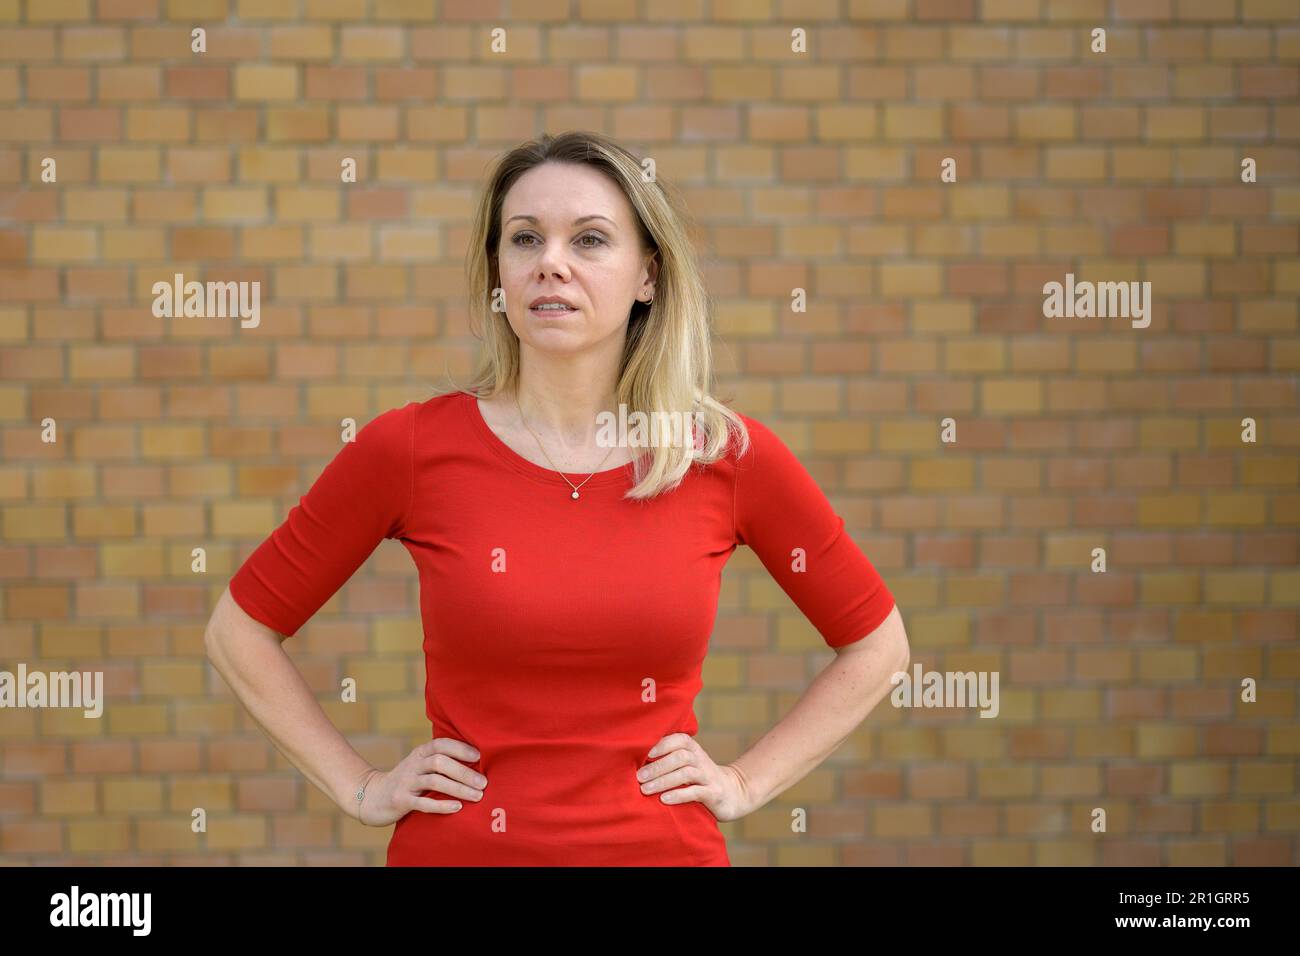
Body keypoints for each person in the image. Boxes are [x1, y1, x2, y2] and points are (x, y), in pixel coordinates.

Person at [204, 130, 910, 866]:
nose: (551, 263)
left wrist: (745, 781)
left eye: (591, 240)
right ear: (498, 273)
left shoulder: (722, 454)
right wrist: (360, 788)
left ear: (648, 275)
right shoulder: (408, 448)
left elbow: (878, 646)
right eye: (525, 238)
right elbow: (239, 632)